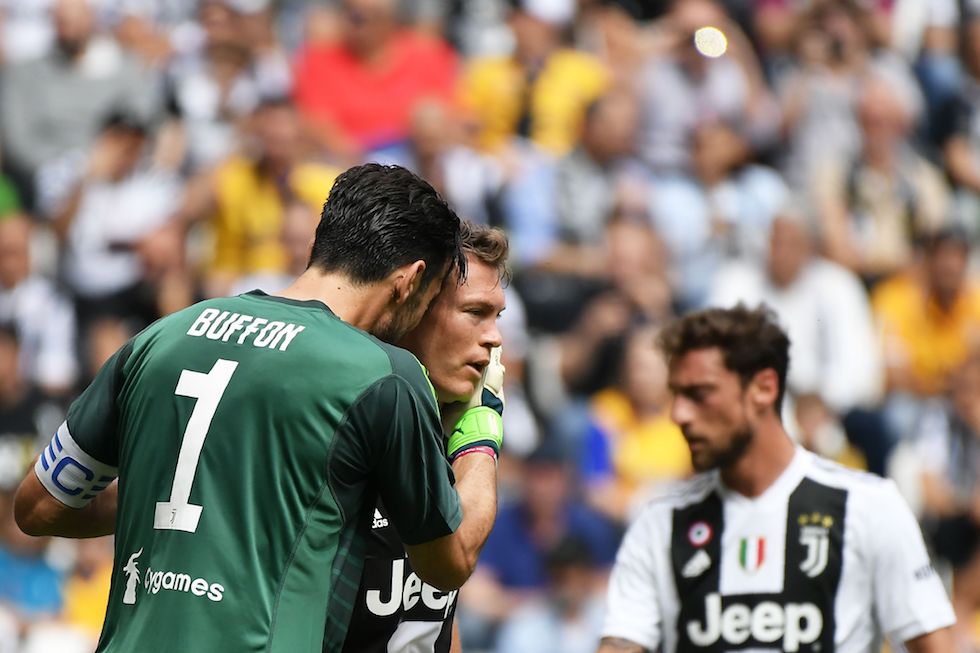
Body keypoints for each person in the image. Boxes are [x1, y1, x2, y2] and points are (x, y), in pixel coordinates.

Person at [12, 163, 502, 653]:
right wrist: (483, 429)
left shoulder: (161, 337)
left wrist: (193, 493)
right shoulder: (382, 375)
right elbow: (449, 563)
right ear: (411, 280)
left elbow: (38, 507)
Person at [597, 305, 955, 653]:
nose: (678, 414)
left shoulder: (867, 507)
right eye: (675, 394)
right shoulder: (660, 523)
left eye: (699, 394)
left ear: (764, 388)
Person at [343, 220, 508, 653]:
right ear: (416, 304)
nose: (494, 338)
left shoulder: (448, 435)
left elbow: (437, 619)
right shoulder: (348, 430)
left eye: (498, 317)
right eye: (475, 312)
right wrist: (481, 436)